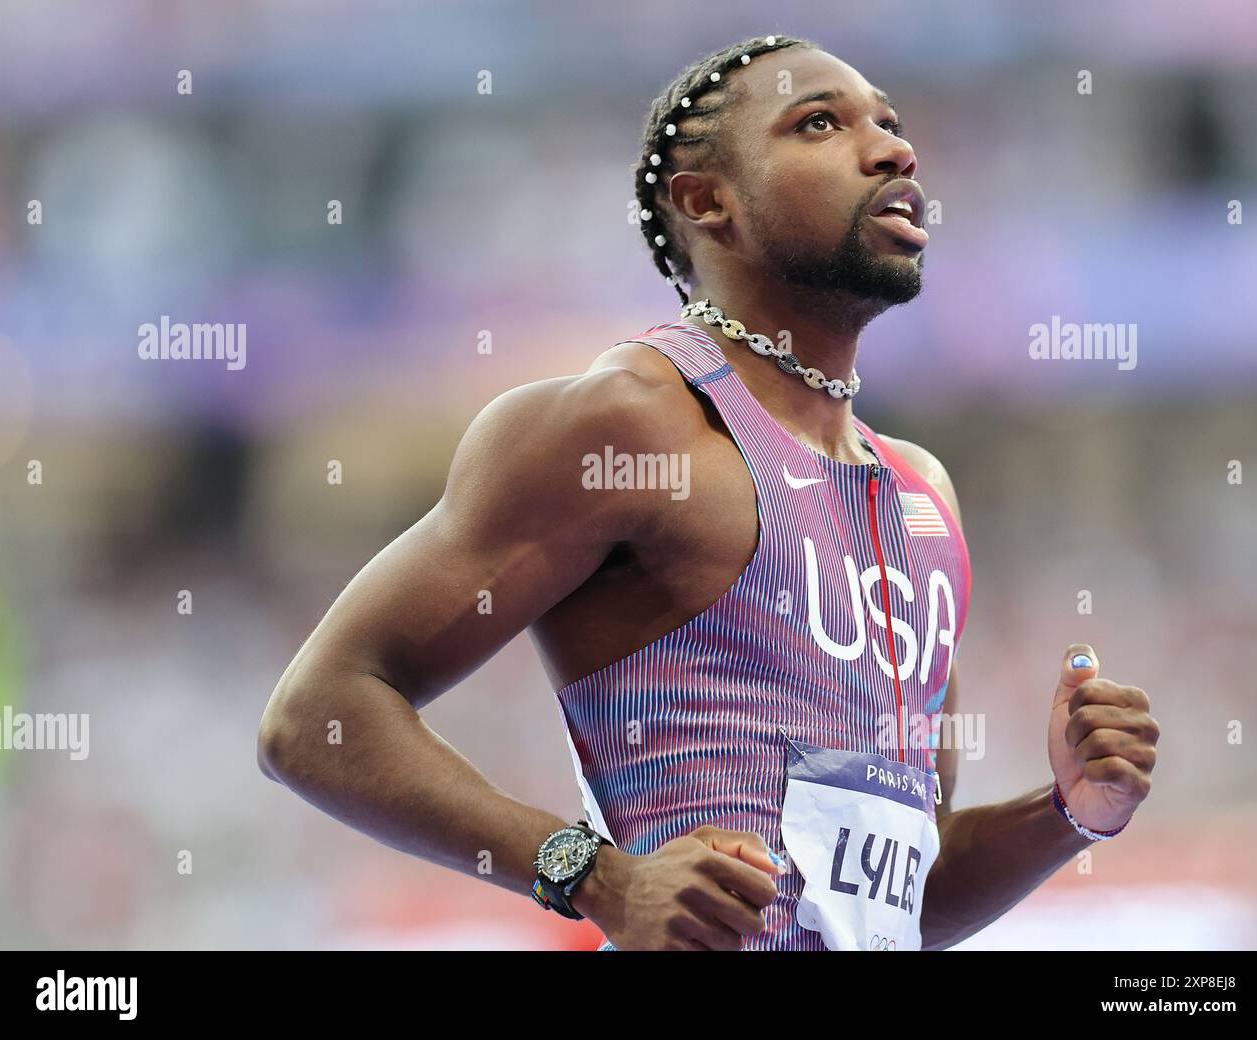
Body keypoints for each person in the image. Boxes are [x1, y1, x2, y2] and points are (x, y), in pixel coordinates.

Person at [257, 34, 1160, 951]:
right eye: (820, 124)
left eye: (889, 123)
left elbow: (905, 903)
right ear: (706, 201)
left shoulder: (922, 493)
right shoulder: (632, 423)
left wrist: (1071, 813)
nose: (894, 151)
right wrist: (598, 876)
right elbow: (317, 714)